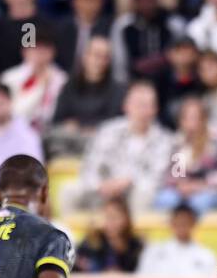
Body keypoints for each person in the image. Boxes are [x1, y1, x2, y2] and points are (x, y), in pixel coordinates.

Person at [71, 80, 174, 213]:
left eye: (147, 105)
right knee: (70, 191)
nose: (142, 111)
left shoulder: (164, 139)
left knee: (144, 193)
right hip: (103, 190)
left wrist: (128, 181)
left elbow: (157, 178)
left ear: (155, 109)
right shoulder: (107, 130)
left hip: (135, 192)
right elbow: (90, 166)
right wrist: (101, 185)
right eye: (138, 104)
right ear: (126, 106)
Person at [157, 96, 217, 214]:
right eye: (186, 118)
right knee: (165, 199)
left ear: (205, 119)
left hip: (214, 193)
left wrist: (203, 184)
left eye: (196, 118)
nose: (192, 123)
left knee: (200, 202)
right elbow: (173, 175)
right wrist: (181, 185)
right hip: (184, 194)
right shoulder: (178, 142)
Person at [136, 202, 217, 278]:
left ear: (193, 223)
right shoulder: (154, 251)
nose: (182, 226)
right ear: (171, 223)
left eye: (186, 222)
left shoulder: (206, 255)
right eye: (178, 222)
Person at [74, 195, 143, 278]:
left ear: (126, 219)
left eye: (114, 217)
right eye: (107, 217)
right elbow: (79, 267)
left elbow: (137, 276)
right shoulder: (91, 242)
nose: (110, 222)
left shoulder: (135, 245)